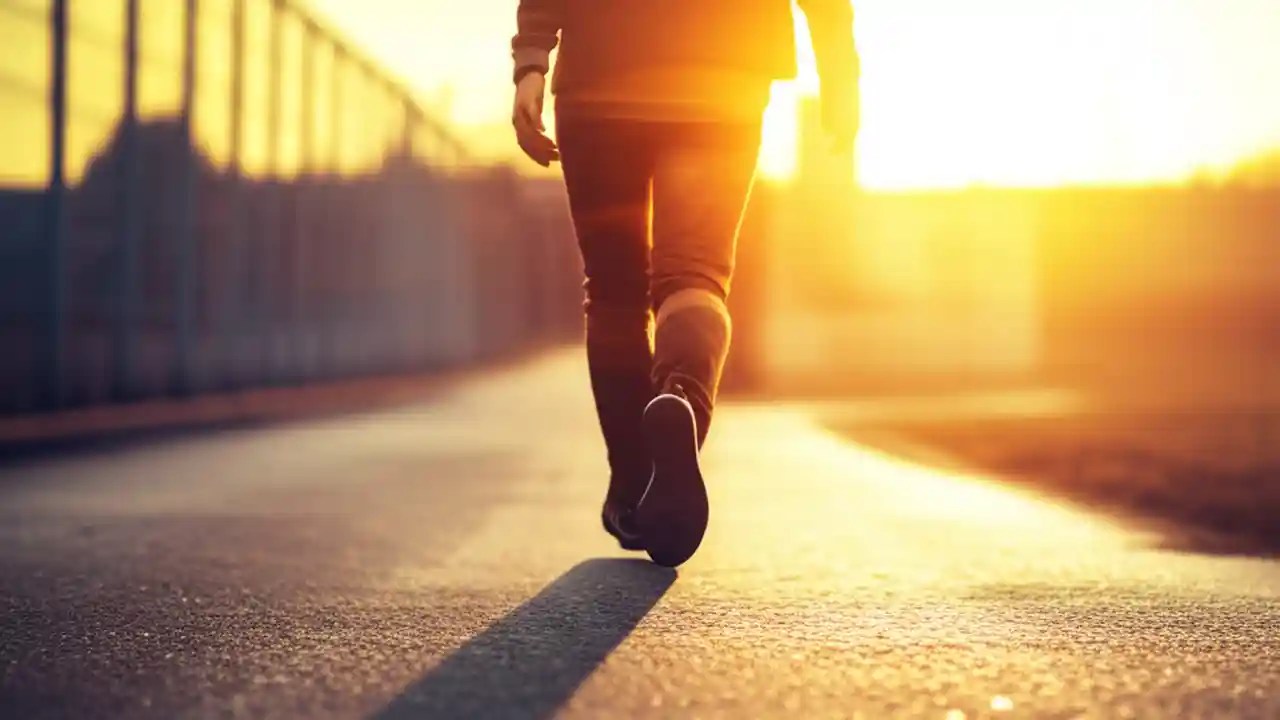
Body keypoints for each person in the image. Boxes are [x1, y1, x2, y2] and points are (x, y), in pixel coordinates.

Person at [511, 0, 859, 567]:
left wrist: (531, 61)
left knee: (615, 292)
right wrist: (840, 71)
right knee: (695, 275)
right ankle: (681, 399)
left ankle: (632, 486)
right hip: (723, 76)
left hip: (602, 74)